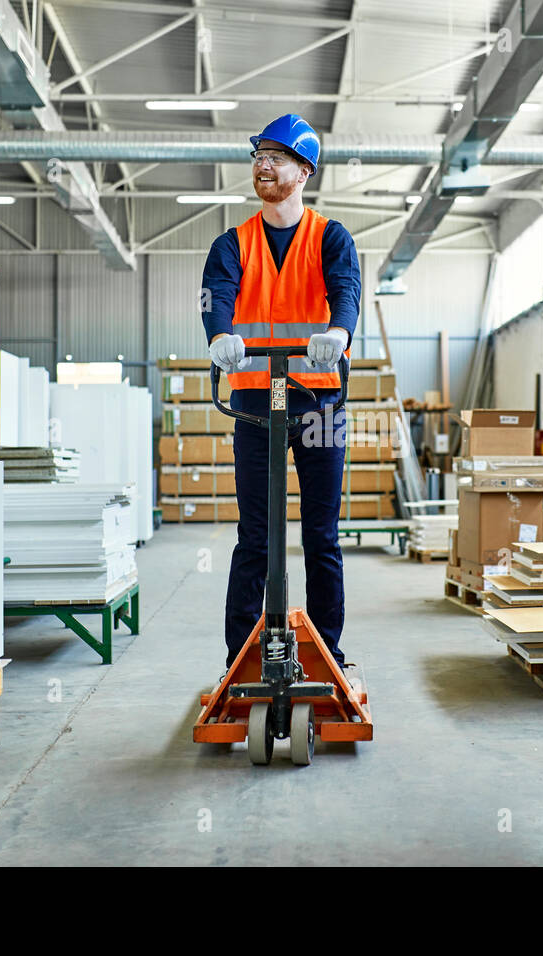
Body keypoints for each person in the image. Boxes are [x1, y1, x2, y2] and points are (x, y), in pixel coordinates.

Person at [200, 114, 361, 670]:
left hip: (319, 399)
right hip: (253, 400)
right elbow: (217, 296)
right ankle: (241, 658)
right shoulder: (232, 242)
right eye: (258, 157)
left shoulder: (331, 237)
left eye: (277, 157)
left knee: (321, 536)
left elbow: (346, 291)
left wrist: (338, 333)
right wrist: (221, 336)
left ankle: (327, 654)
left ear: (304, 171)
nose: (263, 166)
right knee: (255, 536)